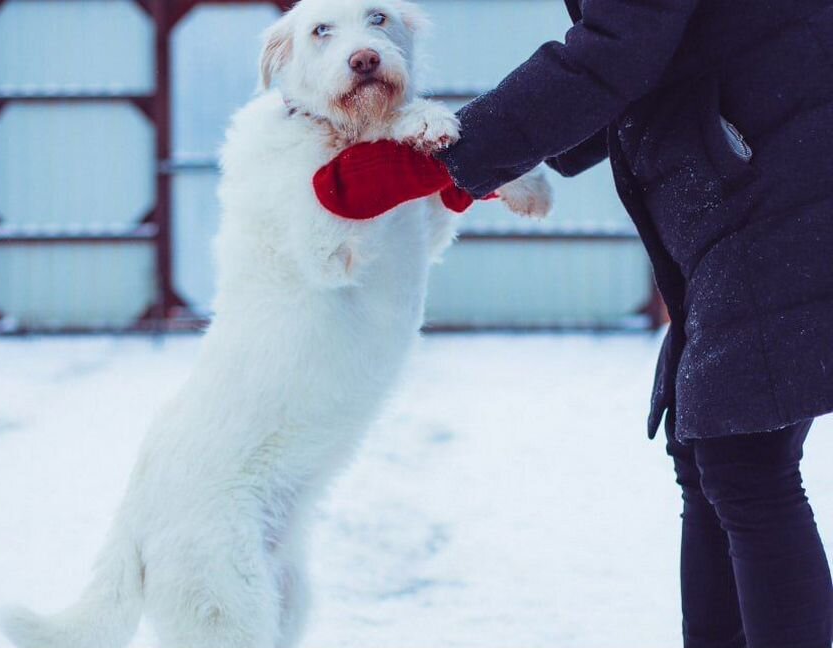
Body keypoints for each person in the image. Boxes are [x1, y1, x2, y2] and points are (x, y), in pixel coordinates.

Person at [312, 1, 833, 646]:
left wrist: (444, 158)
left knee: (746, 465)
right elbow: (646, 53)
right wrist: (500, 153)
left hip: (783, 179)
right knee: (712, 457)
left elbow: (619, 48)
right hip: (769, 164)